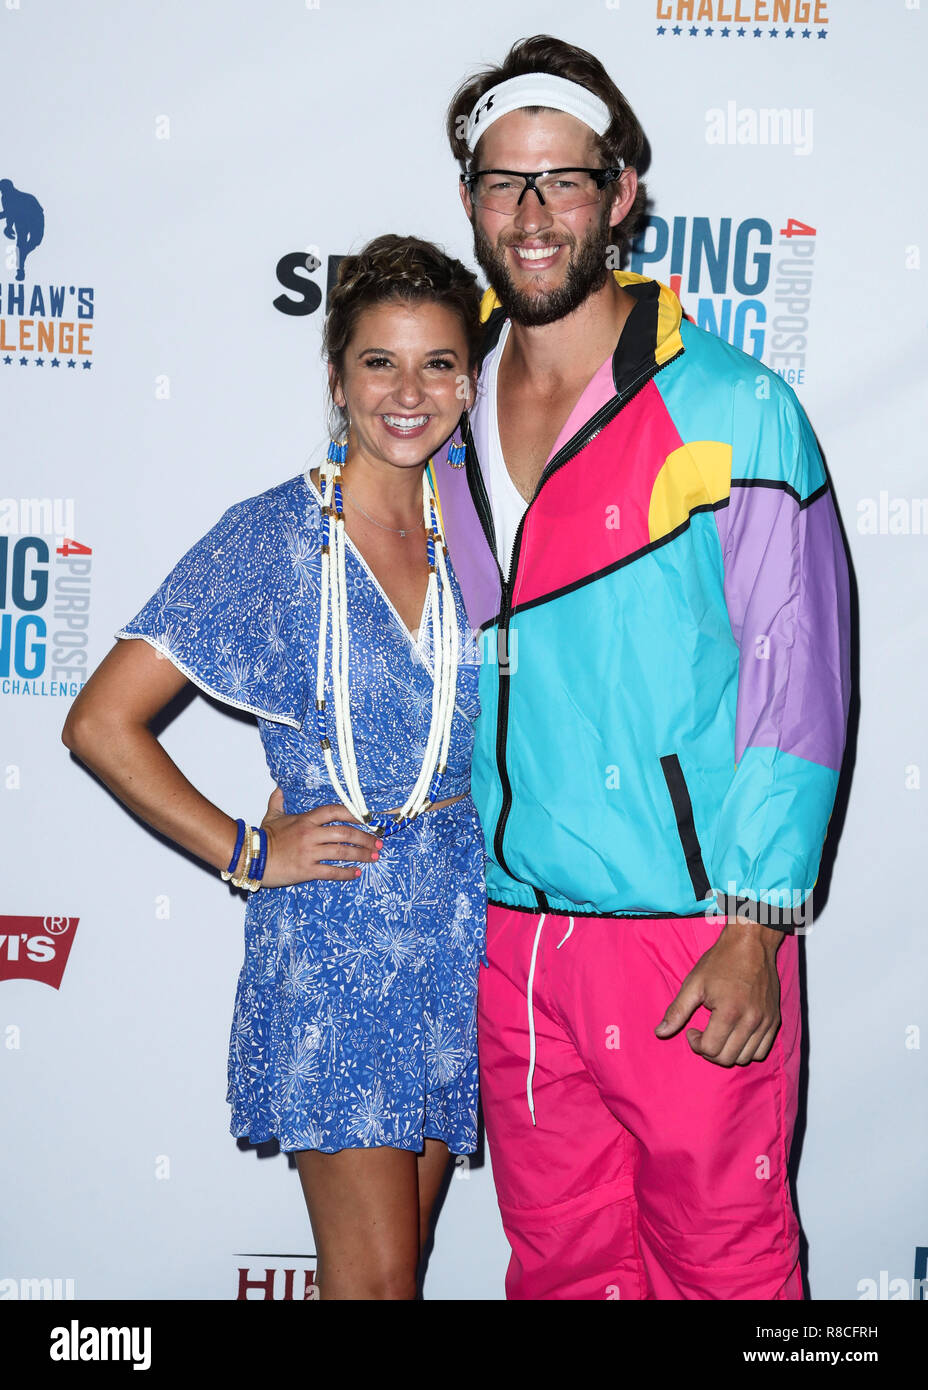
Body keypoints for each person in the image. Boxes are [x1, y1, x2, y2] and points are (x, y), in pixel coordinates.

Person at [429, 35, 852, 1299]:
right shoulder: (442, 419)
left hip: (688, 937)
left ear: (618, 195)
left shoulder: (733, 404)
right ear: (470, 202)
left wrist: (756, 922)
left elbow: (799, 681)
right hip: (515, 939)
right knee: (558, 1269)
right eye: (507, 182)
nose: (534, 212)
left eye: (564, 180)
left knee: (722, 1267)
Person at [61, 234, 488, 1301]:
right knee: (376, 1284)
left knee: (398, 1277)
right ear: (337, 376)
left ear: (471, 378)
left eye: (438, 361)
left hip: (464, 927)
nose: (408, 391)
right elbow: (101, 723)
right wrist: (248, 848)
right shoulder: (273, 537)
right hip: (338, 935)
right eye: (379, 362)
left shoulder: (491, 531)